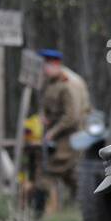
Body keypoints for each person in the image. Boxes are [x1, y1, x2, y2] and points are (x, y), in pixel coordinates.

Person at [35, 48, 91, 200]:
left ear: (55, 64)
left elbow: (71, 116)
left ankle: (35, 216)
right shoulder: (52, 81)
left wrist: (52, 132)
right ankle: (83, 205)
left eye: (46, 66)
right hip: (63, 137)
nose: (44, 70)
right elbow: (51, 107)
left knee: (48, 172)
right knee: (71, 175)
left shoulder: (67, 84)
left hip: (70, 137)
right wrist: (46, 118)